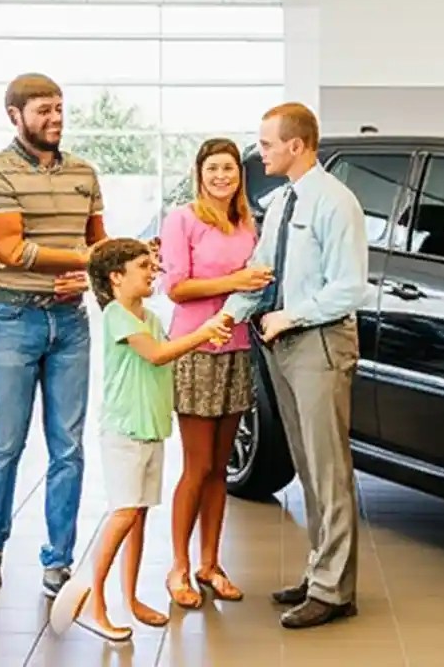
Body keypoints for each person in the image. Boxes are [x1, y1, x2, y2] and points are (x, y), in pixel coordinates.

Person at [215, 102, 370, 629]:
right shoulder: (282, 201)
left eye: (267, 144)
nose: (259, 153)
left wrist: (289, 316)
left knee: (329, 469)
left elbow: (349, 288)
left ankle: (334, 590)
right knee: (307, 466)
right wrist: (227, 316)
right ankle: (322, 571)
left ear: (296, 145)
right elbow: (261, 271)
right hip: (281, 344)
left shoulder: (336, 202)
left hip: (319, 342)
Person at [50, 238, 231, 641]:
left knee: (138, 515)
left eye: (153, 265)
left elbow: (163, 353)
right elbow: (157, 355)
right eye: (144, 267)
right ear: (116, 277)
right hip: (125, 432)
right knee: (125, 512)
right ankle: (93, 603)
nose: (154, 272)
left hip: (150, 429)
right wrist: (204, 332)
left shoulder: (147, 315)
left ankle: (129, 600)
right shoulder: (116, 315)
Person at [0, 73, 106, 598]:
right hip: (13, 319)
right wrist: (84, 260)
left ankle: (59, 560)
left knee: (68, 446)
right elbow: (12, 251)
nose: (55, 119)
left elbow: (99, 247)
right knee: (6, 442)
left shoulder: (84, 173)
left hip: (70, 321)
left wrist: (92, 272)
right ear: (15, 115)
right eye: (43, 110)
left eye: (59, 108)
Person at [158, 138, 271, 608]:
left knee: (220, 469)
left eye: (229, 168)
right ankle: (178, 567)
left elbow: (258, 282)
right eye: (213, 169)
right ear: (199, 174)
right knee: (198, 466)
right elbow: (176, 288)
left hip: (237, 350)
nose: (222, 176)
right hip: (195, 349)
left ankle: (210, 563)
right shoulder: (182, 220)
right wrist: (235, 281)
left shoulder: (246, 223)